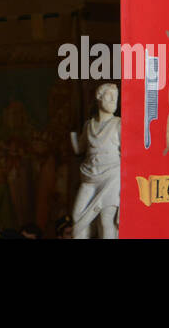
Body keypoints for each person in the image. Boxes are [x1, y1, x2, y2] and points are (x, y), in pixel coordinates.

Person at [69, 83, 121, 239]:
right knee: (77, 216)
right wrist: (72, 136)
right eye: (109, 96)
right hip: (90, 176)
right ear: (99, 98)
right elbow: (80, 149)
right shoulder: (89, 125)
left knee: (106, 220)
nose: (113, 100)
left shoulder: (119, 124)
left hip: (112, 176)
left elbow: (130, 155)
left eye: (115, 97)